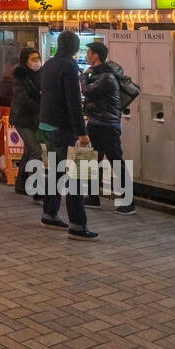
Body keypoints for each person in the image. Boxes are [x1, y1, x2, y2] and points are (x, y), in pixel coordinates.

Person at [39, 30, 97, 240]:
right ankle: (77, 225)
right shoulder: (70, 67)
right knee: (75, 174)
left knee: (55, 170)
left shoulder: (48, 64)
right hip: (64, 127)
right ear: (74, 47)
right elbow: (73, 101)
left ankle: (49, 212)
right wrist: (82, 133)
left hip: (46, 125)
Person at [82, 41, 133, 214]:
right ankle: (93, 197)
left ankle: (128, 201)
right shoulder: (99, 74)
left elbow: (87, 91)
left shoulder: (106, 77)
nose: (86, 55)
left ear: (96, 55)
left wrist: (83, 77)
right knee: (95, 161)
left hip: (107, 125)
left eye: (88, 53)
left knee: (115, 161)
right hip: (97, 123)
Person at [10, 48, 45, 202]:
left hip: (34, 119)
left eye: (38, 58)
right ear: (26, 61)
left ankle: (20, 185)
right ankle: (35, 188)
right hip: (22, 119)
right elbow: (22, 99)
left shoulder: (41, 75)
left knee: (28, 152)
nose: (36, 61)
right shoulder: (20, 76)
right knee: (36, 151)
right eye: (33, 59)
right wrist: (41, 105)